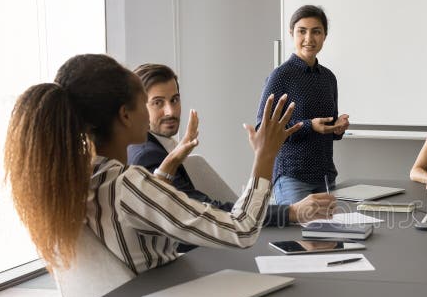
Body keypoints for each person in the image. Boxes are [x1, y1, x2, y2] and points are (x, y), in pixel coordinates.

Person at [3, 54, 299, 275]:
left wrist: (169, 165)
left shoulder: (82, 178)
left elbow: (138, 209)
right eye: (147, 102)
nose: (160, 112)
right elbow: (242, 231)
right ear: (126, 115)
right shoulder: (127, 185)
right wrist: (265, 155)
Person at [128, 63, 335, 225]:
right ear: (137, 106)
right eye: (158, 103)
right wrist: (291, 211)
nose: (171, 111)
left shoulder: (157, 147)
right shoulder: (148, 156)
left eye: (174, 100)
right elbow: (209, 212)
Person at [255, 5, 350, 204]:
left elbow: (327, 129)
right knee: (296, 226)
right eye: (302, 31)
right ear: (291, 34)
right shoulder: (281, 76)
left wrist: (337, 128)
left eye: (316, 31)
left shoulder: (328, 78)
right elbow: (263, 130)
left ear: (324, 36)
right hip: (292, 177)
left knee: (330, 226)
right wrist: (309, 125)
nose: (309, 38)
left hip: (325, 177)